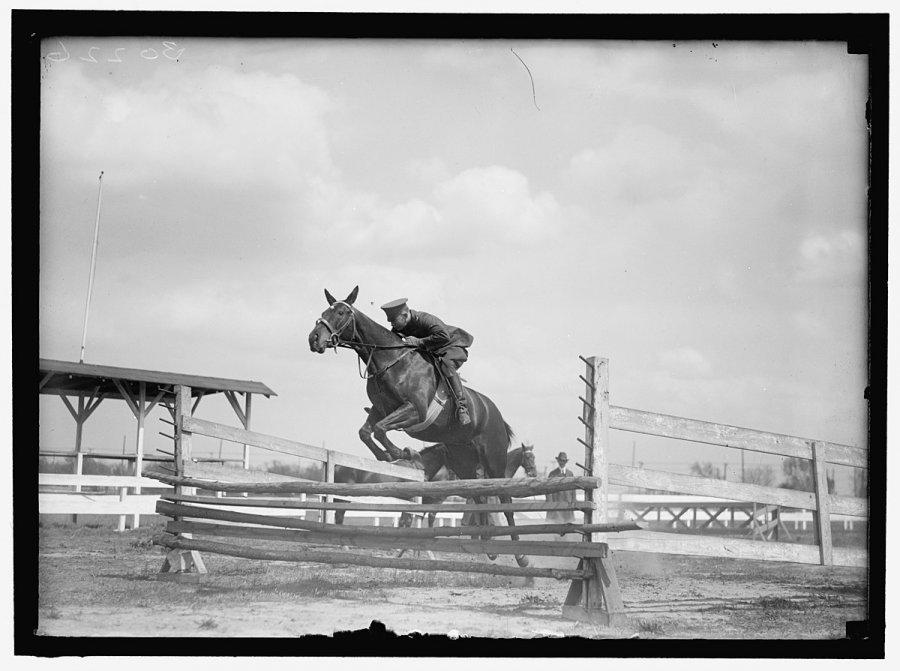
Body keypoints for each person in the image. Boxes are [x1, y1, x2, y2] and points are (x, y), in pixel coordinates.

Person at [380, 298, 474, 425]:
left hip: (451, 346)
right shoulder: (398, 327)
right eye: (390, 322)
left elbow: (444, 336)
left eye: (394, 321)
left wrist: (419, 342)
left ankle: (462, 407)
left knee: (446, 365)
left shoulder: (425, 319)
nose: (392, 325)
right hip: (432, 350)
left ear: (404, 314)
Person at [546, 451, 577, 525]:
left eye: (563, 461)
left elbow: (573, 490)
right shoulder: (552, 474)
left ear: (566, 462)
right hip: (556, 505)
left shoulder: (570, 474)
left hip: (568, 504)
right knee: (556, 526)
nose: (562, 462)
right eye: (560, 460)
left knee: (568, 526)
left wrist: (573, 503)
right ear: (558, 461)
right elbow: (548, 490)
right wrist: (550, 504)